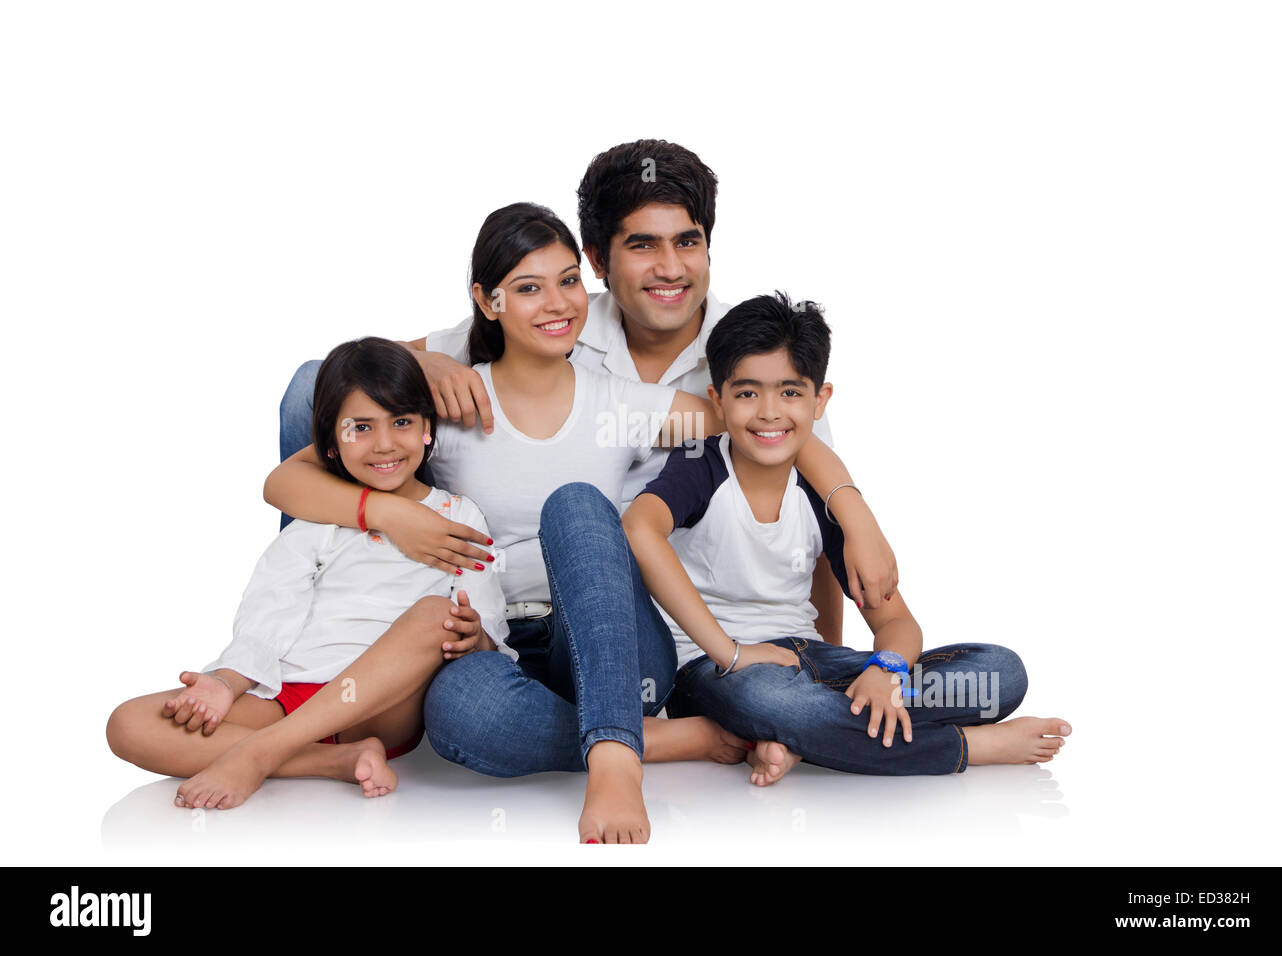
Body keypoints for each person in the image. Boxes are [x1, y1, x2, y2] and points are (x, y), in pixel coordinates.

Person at [264, 204, 888, 842]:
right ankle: (675, 737)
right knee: (460, 717)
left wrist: (851, 505)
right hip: (494, 639)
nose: (557, 303)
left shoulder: (620, 402)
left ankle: (616, 758)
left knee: (578, 505)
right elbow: (285, 480)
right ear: (487, 301)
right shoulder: (446, 409)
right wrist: (391, 512)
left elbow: (763, 420)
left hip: (610, 637)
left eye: (568, 281)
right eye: (529, 288)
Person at [276, 139, 899, 639]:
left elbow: (801, 478)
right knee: (314, 389)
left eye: (688, 242)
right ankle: (308, 624)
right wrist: (430, 364)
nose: (671, 268)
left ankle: (647, 723)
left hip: (668, 609)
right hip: (498, 572)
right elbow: (354, 374)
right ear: (599, 260)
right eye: (643, 246)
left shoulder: (749, 354)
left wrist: (852, 530)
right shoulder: (558, 317)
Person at [621, 292, 1072, 785]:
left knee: (998, 673)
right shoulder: (700, 466)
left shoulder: (820, 494)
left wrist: (887, 670)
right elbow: (640, 527)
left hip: (814, 660)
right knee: (771, 701)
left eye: (790, 393)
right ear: (718, 400)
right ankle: (968, 747)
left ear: (820, 401)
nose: (769, 412)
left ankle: (799, 737)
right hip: (716, 671)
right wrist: (730, 651)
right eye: (748, 393)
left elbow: (896, 620)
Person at [105, 337, 511, 809]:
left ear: (427, 429)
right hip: (290, 695)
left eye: (402, 422)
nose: (384, 444)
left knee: (435, 614)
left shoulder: (459, 515)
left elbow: (486, 618)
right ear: (332, 444)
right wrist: (227, 682)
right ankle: (329, 761)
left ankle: (259, 753)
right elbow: (271, 606)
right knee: (128, 724)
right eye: (360, 427)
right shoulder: (320, 515)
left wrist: (476, 637)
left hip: (381, 705)